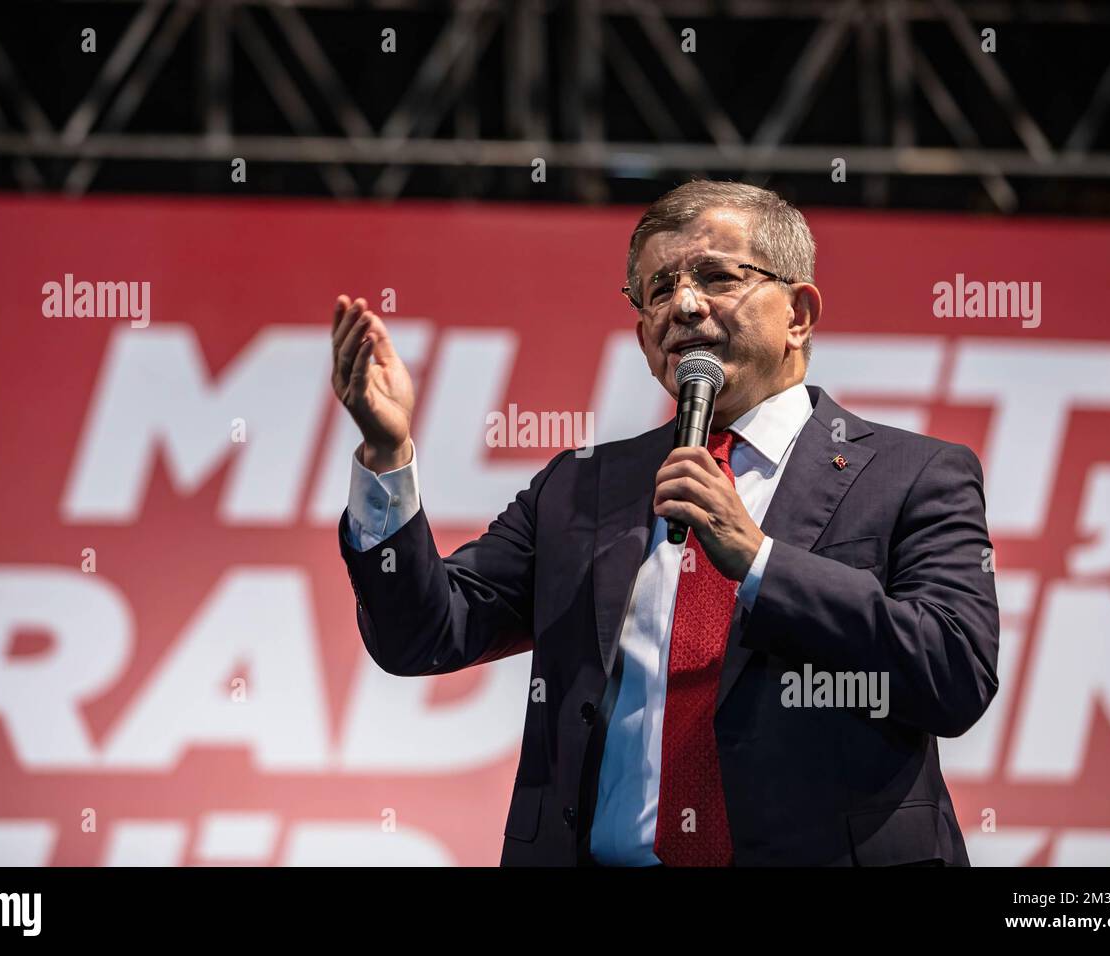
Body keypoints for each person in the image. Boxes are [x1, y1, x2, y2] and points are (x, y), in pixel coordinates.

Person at [332, 180, 1000, 866]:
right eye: (657, 289)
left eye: (716, 276)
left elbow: (953, 676)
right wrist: (386, 457)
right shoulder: (580, 487)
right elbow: (424, 635)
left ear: (799, 314)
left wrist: (761, 561)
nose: (682, 305)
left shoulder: (913, 473)